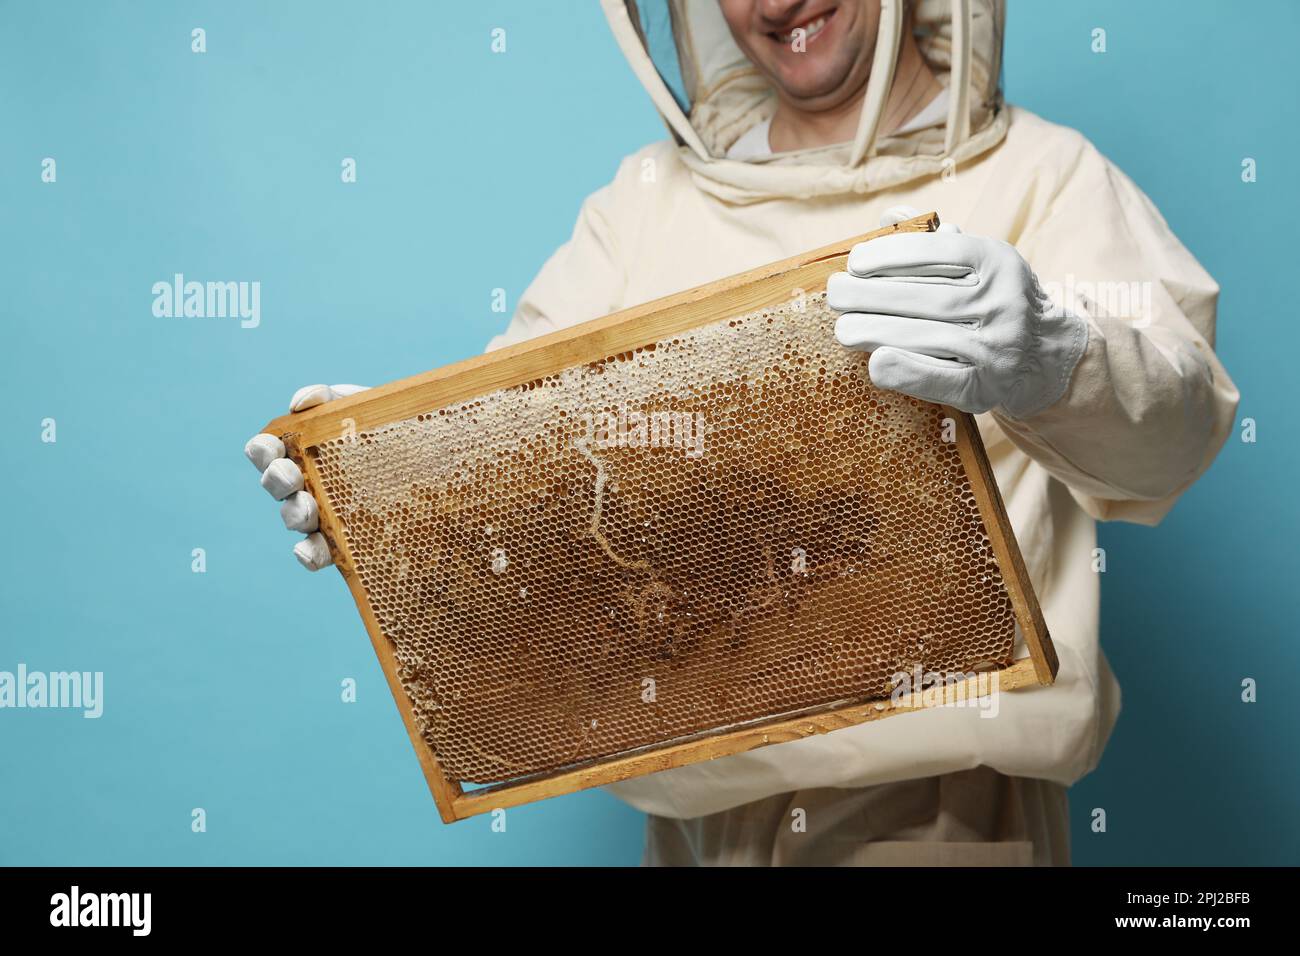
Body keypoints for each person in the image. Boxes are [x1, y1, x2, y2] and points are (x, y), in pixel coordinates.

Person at [245, 0, 1238, 865]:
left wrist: (1059, 357)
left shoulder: (1045, 175)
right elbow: (526, 471)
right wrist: (387, 482)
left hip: (940, 819)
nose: (774, 0)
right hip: (686, 830)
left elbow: (1180, 434)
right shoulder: (644, 204)